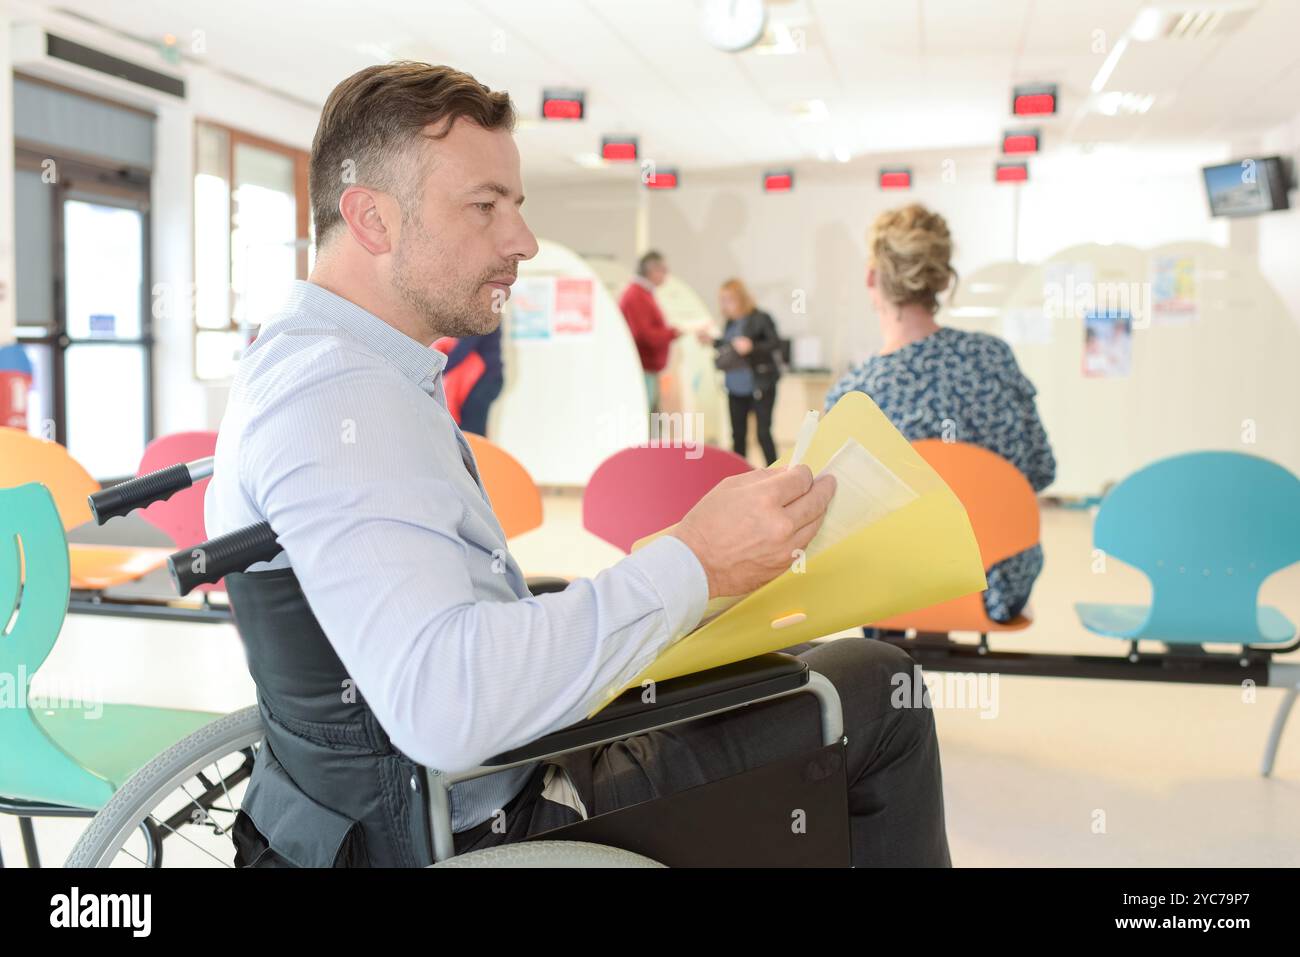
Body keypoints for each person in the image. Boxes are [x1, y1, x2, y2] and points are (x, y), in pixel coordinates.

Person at [207, 61, 951, 868]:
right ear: (372, 219)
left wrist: (682, 575)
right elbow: (445, 702)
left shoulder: (313, 365)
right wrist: (693, 562)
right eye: (484, 207)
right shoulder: (342, 400)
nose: (521, 239)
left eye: (516, 206)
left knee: (788, 664)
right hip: (508, 807)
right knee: (879, 687)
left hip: (428, 786)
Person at [825, 203, 1056, 622]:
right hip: (997, 581)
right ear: (941, 278)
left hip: (891, 589)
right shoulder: (993, 357)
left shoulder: (853, 396)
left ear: (871, 277)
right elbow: (1040, 471)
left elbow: (837, 522)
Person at [697, 278, 782, 465]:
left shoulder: (760, 318)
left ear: (741, 298)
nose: (725, 304)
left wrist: (752, 346)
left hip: (760, 384)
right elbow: (730, 346)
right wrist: (713, 341)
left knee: (763, 434)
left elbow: (775, 343)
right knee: (738, 435)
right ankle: (739, 473)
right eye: (722, 300)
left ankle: (777, 472)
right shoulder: (729, 323)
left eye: (729, 299)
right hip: (735, 388)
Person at [618, 250, 679, 413]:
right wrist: (672, 333)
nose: (666, 275)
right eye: (663, 270)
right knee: (646, 414)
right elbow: (643, 335)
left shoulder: (643, 293)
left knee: (652, 414)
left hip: (648, 367)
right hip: (643, 367)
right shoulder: (636, 295)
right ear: (652, 271)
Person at [442, 328, 502, 435]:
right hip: (483, 378)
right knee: (470, 430)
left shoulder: (484, 313)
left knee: (471, 432)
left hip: (484, 379)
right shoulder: (491, 312)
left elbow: (465, 346)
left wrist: (440, 367)